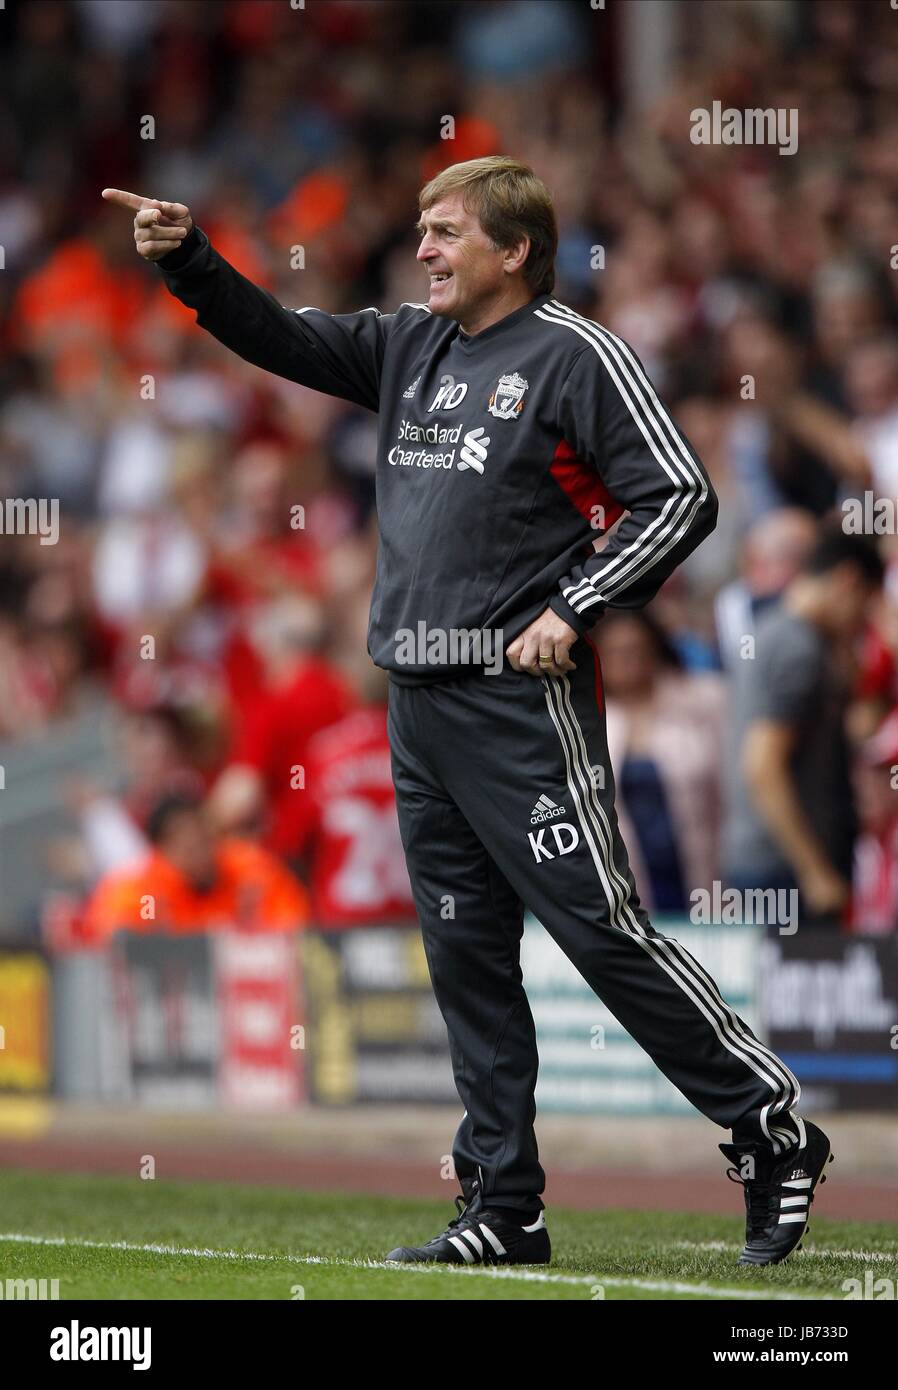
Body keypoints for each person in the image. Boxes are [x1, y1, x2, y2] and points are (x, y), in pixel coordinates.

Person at [102, 156, 831, 1269]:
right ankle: (504, 1205)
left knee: (601, 932)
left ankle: (770, 1128)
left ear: (514, 250)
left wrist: (576, 605)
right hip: (418, 705)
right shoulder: (408, 343)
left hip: (516, 705)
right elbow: (280, 337)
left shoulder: (577, 354)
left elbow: (680, 493)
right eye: (422, 232)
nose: (425, 251)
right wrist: (191, 260)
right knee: (466, 964)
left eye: (445, 233)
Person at [726, 525, 884, 926]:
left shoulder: (776, 632)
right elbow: (763, 766)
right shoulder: (798, 647)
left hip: (768, 861)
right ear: (848, 580)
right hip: (786, 868)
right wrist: (814, 870)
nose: (864, 622)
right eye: (866, 605)